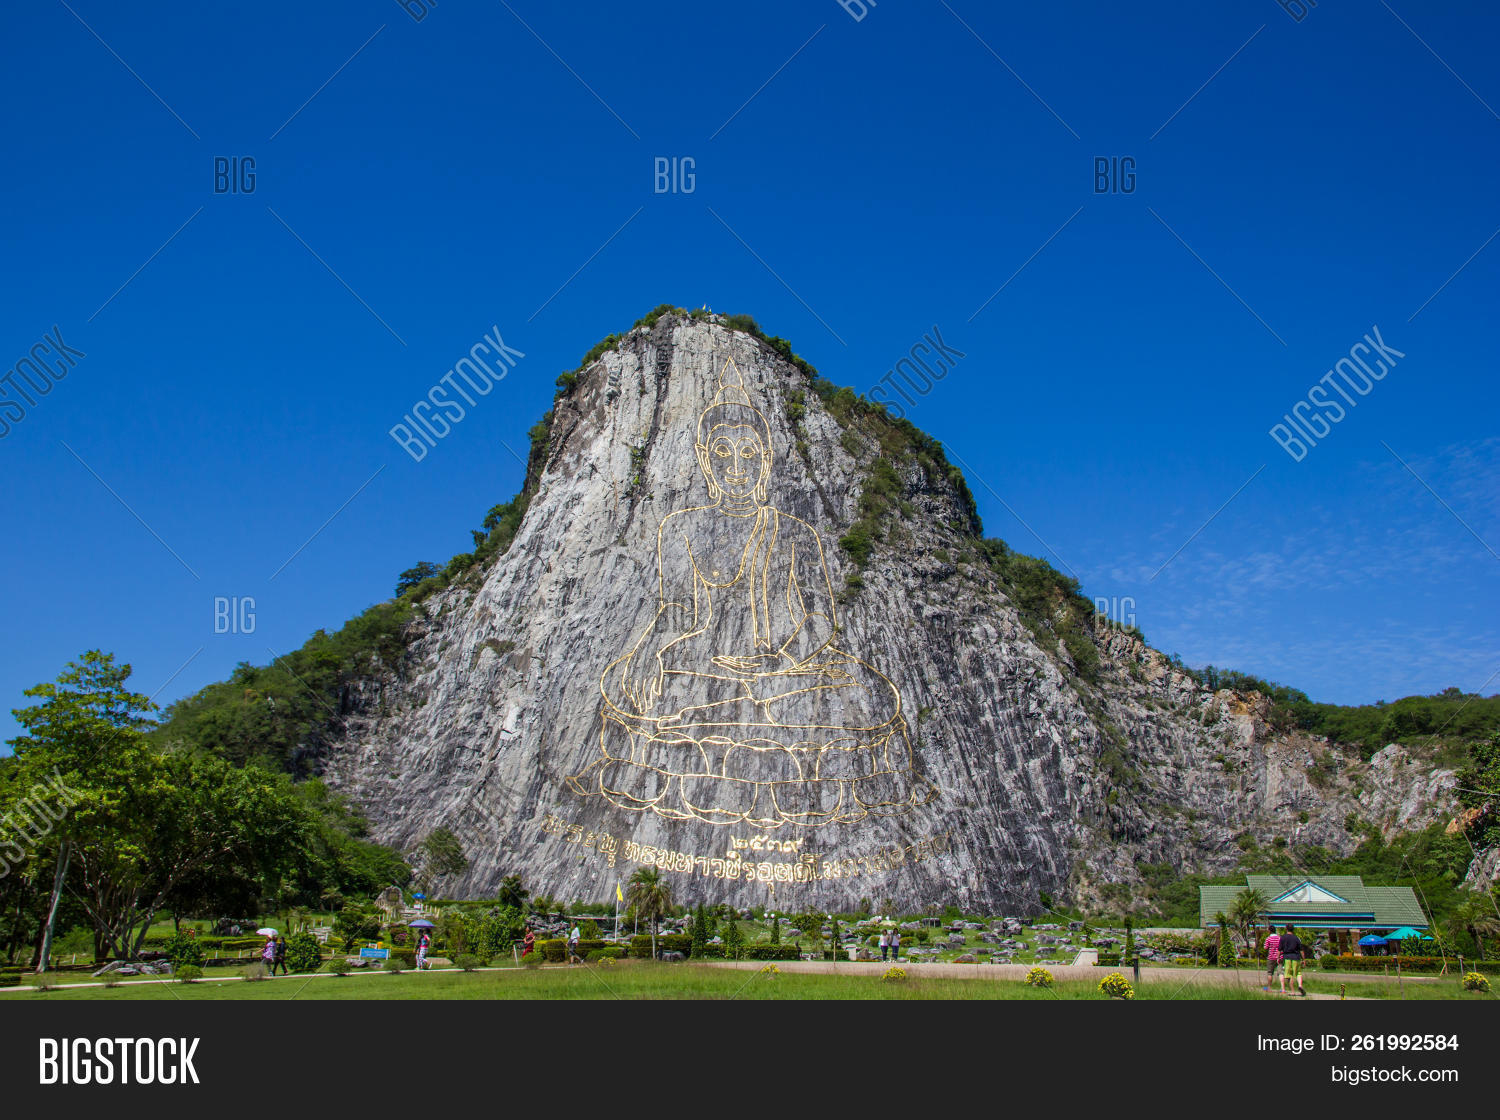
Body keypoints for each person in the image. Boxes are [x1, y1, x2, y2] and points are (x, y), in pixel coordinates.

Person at [1280, 925, 1306, 997]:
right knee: (1298, 973)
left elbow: (1279, 949)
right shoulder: (1296, 938)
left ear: (1286, 929)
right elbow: (1301, 950)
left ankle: (1292, 991)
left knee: (1290, 975)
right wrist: (1304, 959)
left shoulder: (1283, 937)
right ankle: (1300, 985)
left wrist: (1278, 957)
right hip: (1296, 957)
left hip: (1287, 957)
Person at [1263, 924, 1282, 993]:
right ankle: (1282, 987)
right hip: (1279, 957)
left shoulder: (1268, 939)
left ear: (1269, 931)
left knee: (1270, 973)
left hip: (1271, 957)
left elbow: (1265, 947)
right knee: (1280, 973)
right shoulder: (1279, 938)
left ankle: (1269, 988)